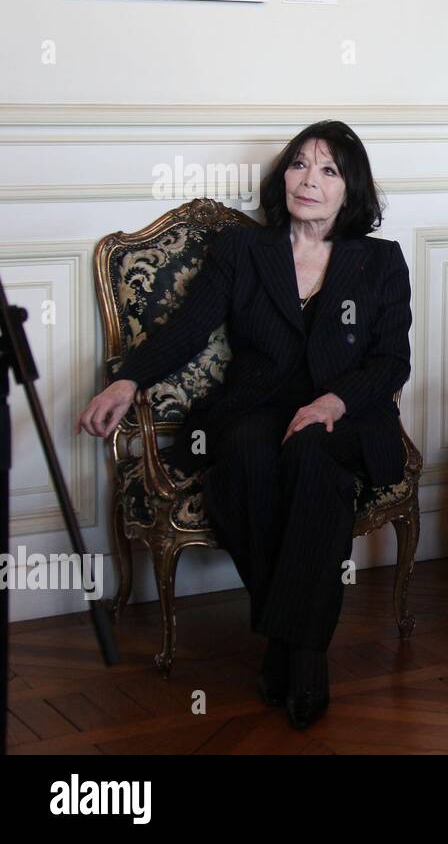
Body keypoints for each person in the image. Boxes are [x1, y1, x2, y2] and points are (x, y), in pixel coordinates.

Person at [77, 121, 412, 729]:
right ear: (282, 175)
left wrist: (333, 402)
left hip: (347, 414)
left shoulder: (380, 261)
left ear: (351, 188)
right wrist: (128, 379)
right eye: (300, 164)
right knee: (247, 456)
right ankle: (299, 645)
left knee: (314, 459)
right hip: (255, 409)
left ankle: (296, 657)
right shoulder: (244, 251)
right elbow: (186, 329)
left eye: (329, 169)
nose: (309, 180)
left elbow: (392, 360)